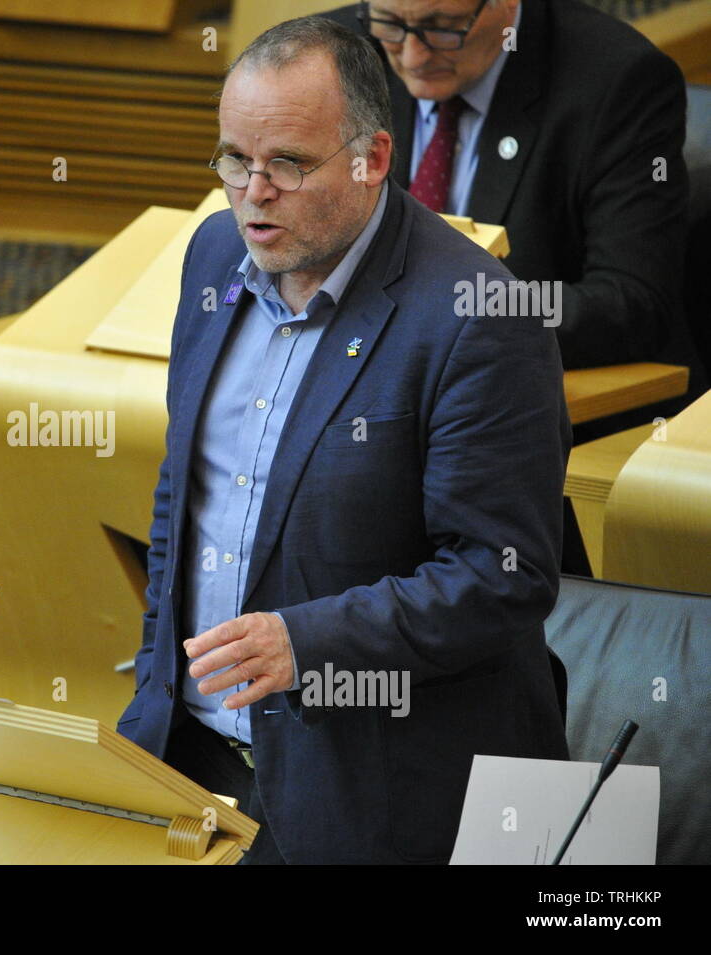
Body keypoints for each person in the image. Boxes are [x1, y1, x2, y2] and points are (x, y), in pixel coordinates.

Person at [116, 17, 569, 863]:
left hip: (375, 796)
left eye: (287, 164)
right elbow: (186, 494)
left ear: (373, 158)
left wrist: (307, 643)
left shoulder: (477, 319)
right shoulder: (214, 256)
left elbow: (501, 574)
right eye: (232, 161)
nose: (253, 192)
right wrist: (156, 686)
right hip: (193, 767)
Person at [319, 0, 692, 375]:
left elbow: (631, 304)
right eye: (391, 24)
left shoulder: (616, 79)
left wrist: (452, 316)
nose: (414, 58)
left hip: (547, 397)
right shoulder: (328, 57)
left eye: (443, 27)